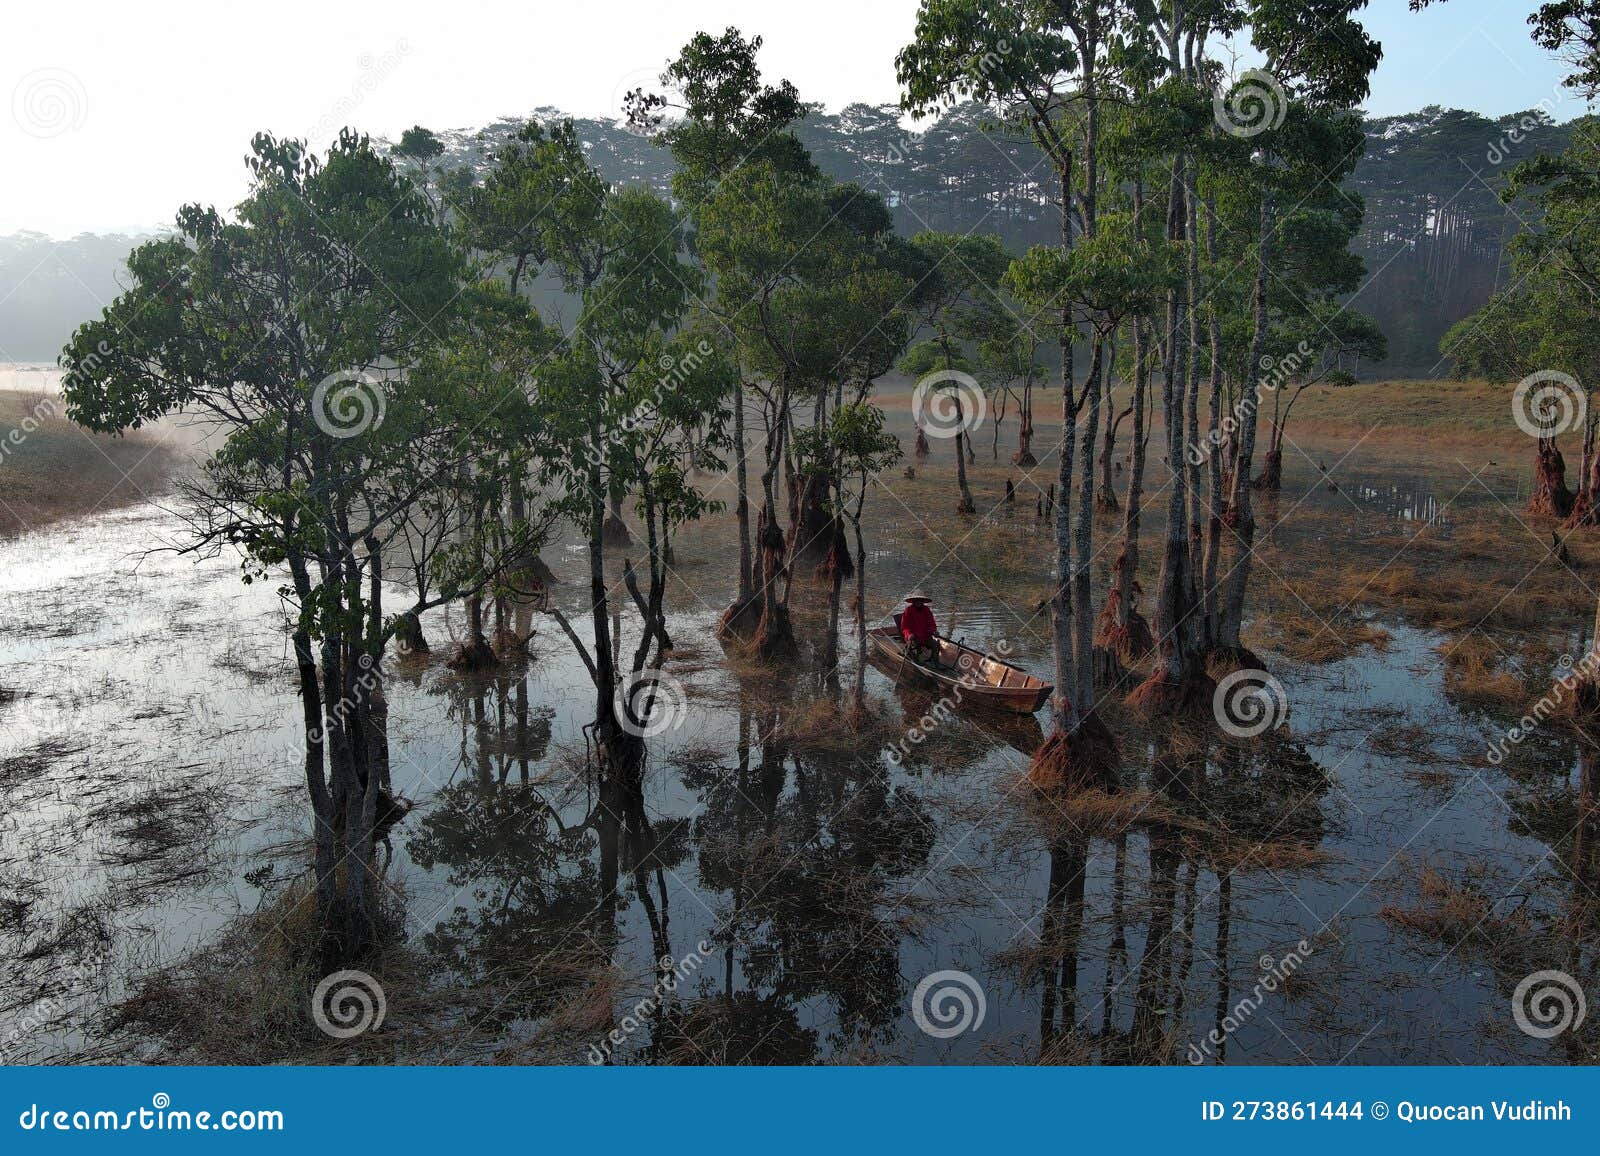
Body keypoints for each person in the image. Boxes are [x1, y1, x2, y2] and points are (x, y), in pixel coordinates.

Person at [899, 592, 940, 666]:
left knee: (934, 644)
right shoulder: (908, 610)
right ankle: (918, 662)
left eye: (920, 600)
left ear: (922, 601)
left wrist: (934, 631)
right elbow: (905, 627)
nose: (918, 602)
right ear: (914, 601)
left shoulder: (926, 610)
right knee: (917, 645)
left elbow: (932, 624)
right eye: (917, 600)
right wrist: (909, 635)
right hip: (914, 637)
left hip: (925, 636)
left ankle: (936, 663)